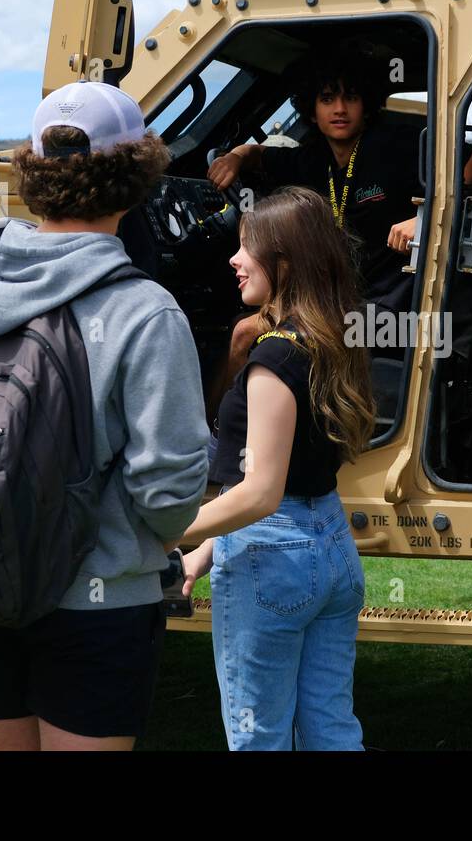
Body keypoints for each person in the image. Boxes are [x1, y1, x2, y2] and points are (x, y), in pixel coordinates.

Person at [0, 80, 210, 751]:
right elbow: (168, 493)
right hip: (99, 600)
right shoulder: (146, 312)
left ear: (33, 174)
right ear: (135, 183)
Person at [168, 186, 375, 750]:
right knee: (331, 730)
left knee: (258, 737)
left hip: (271, 564)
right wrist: (205, 552)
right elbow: (292, 485)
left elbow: (260, 493)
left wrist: (160, 531)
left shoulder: (273, 358)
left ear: (283, 264)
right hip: (333, 551)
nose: (234, 260)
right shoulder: (330, 341)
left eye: (246, 249)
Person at [205, 50, 421, 409]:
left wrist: (425, 215)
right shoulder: (313, 158)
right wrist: (236, 157)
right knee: (240, 320)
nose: (339, 109)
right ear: (311, 109)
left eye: (350, 97)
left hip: (389, 315)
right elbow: (259, 154)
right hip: (340, 304)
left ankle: (213, 441)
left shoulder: (394, 144)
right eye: (327, 99)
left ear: (365, 103)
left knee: (244, 332)